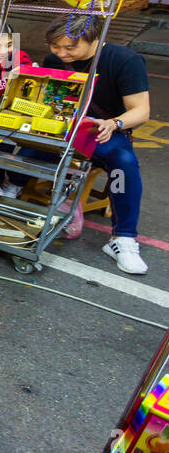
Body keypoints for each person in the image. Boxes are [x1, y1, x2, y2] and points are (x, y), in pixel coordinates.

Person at [44, 18, 150, 274]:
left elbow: (142, 110)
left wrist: (115, 123)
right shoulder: (54, 61)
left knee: (123, 166)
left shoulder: (124, 60)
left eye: (69, 47)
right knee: (18, 146)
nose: (61, 53)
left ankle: (123, 238)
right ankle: (10, 201)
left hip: (103, 130)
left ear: (94, 40)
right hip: (60, 129)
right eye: (54, 47)